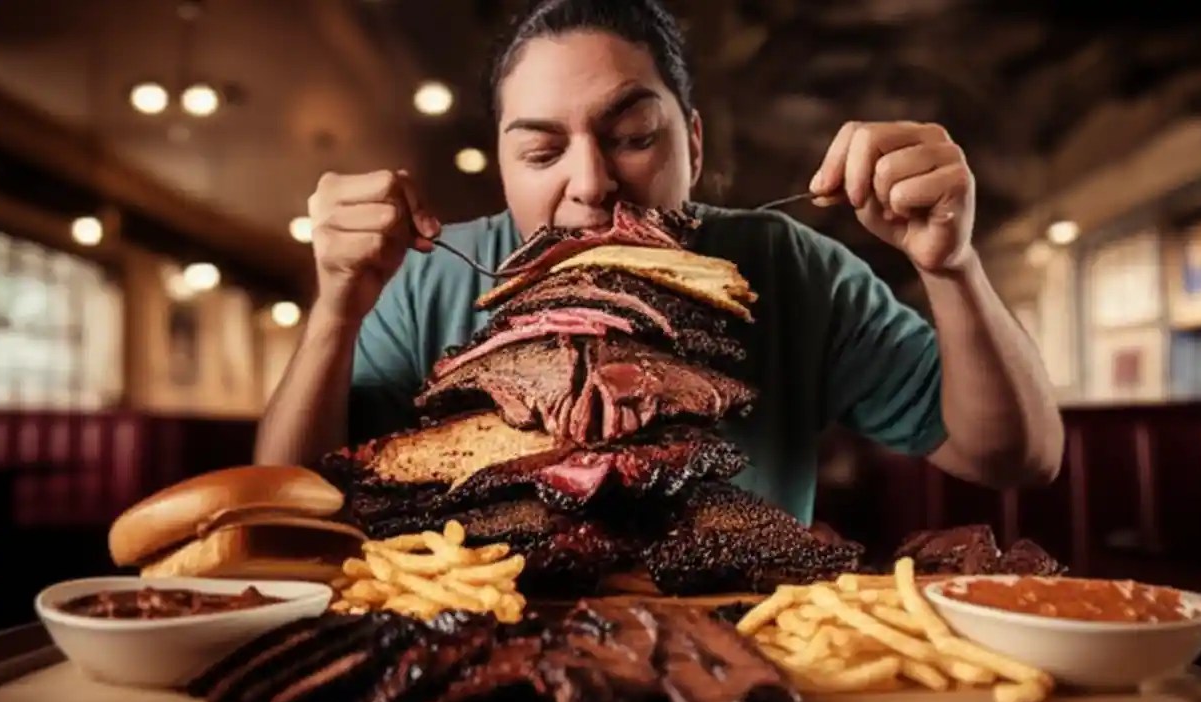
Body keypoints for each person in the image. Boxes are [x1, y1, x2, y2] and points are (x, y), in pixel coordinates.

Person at [255, 0, 1063, 524]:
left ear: (694, 143)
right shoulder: (433, 279)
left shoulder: (786, 265)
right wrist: (335, 308)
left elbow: (1016, 458)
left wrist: (953, 268)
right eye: (541, 151)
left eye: (635, 137)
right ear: (503, 167)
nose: (592, 183)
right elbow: (284, 500)